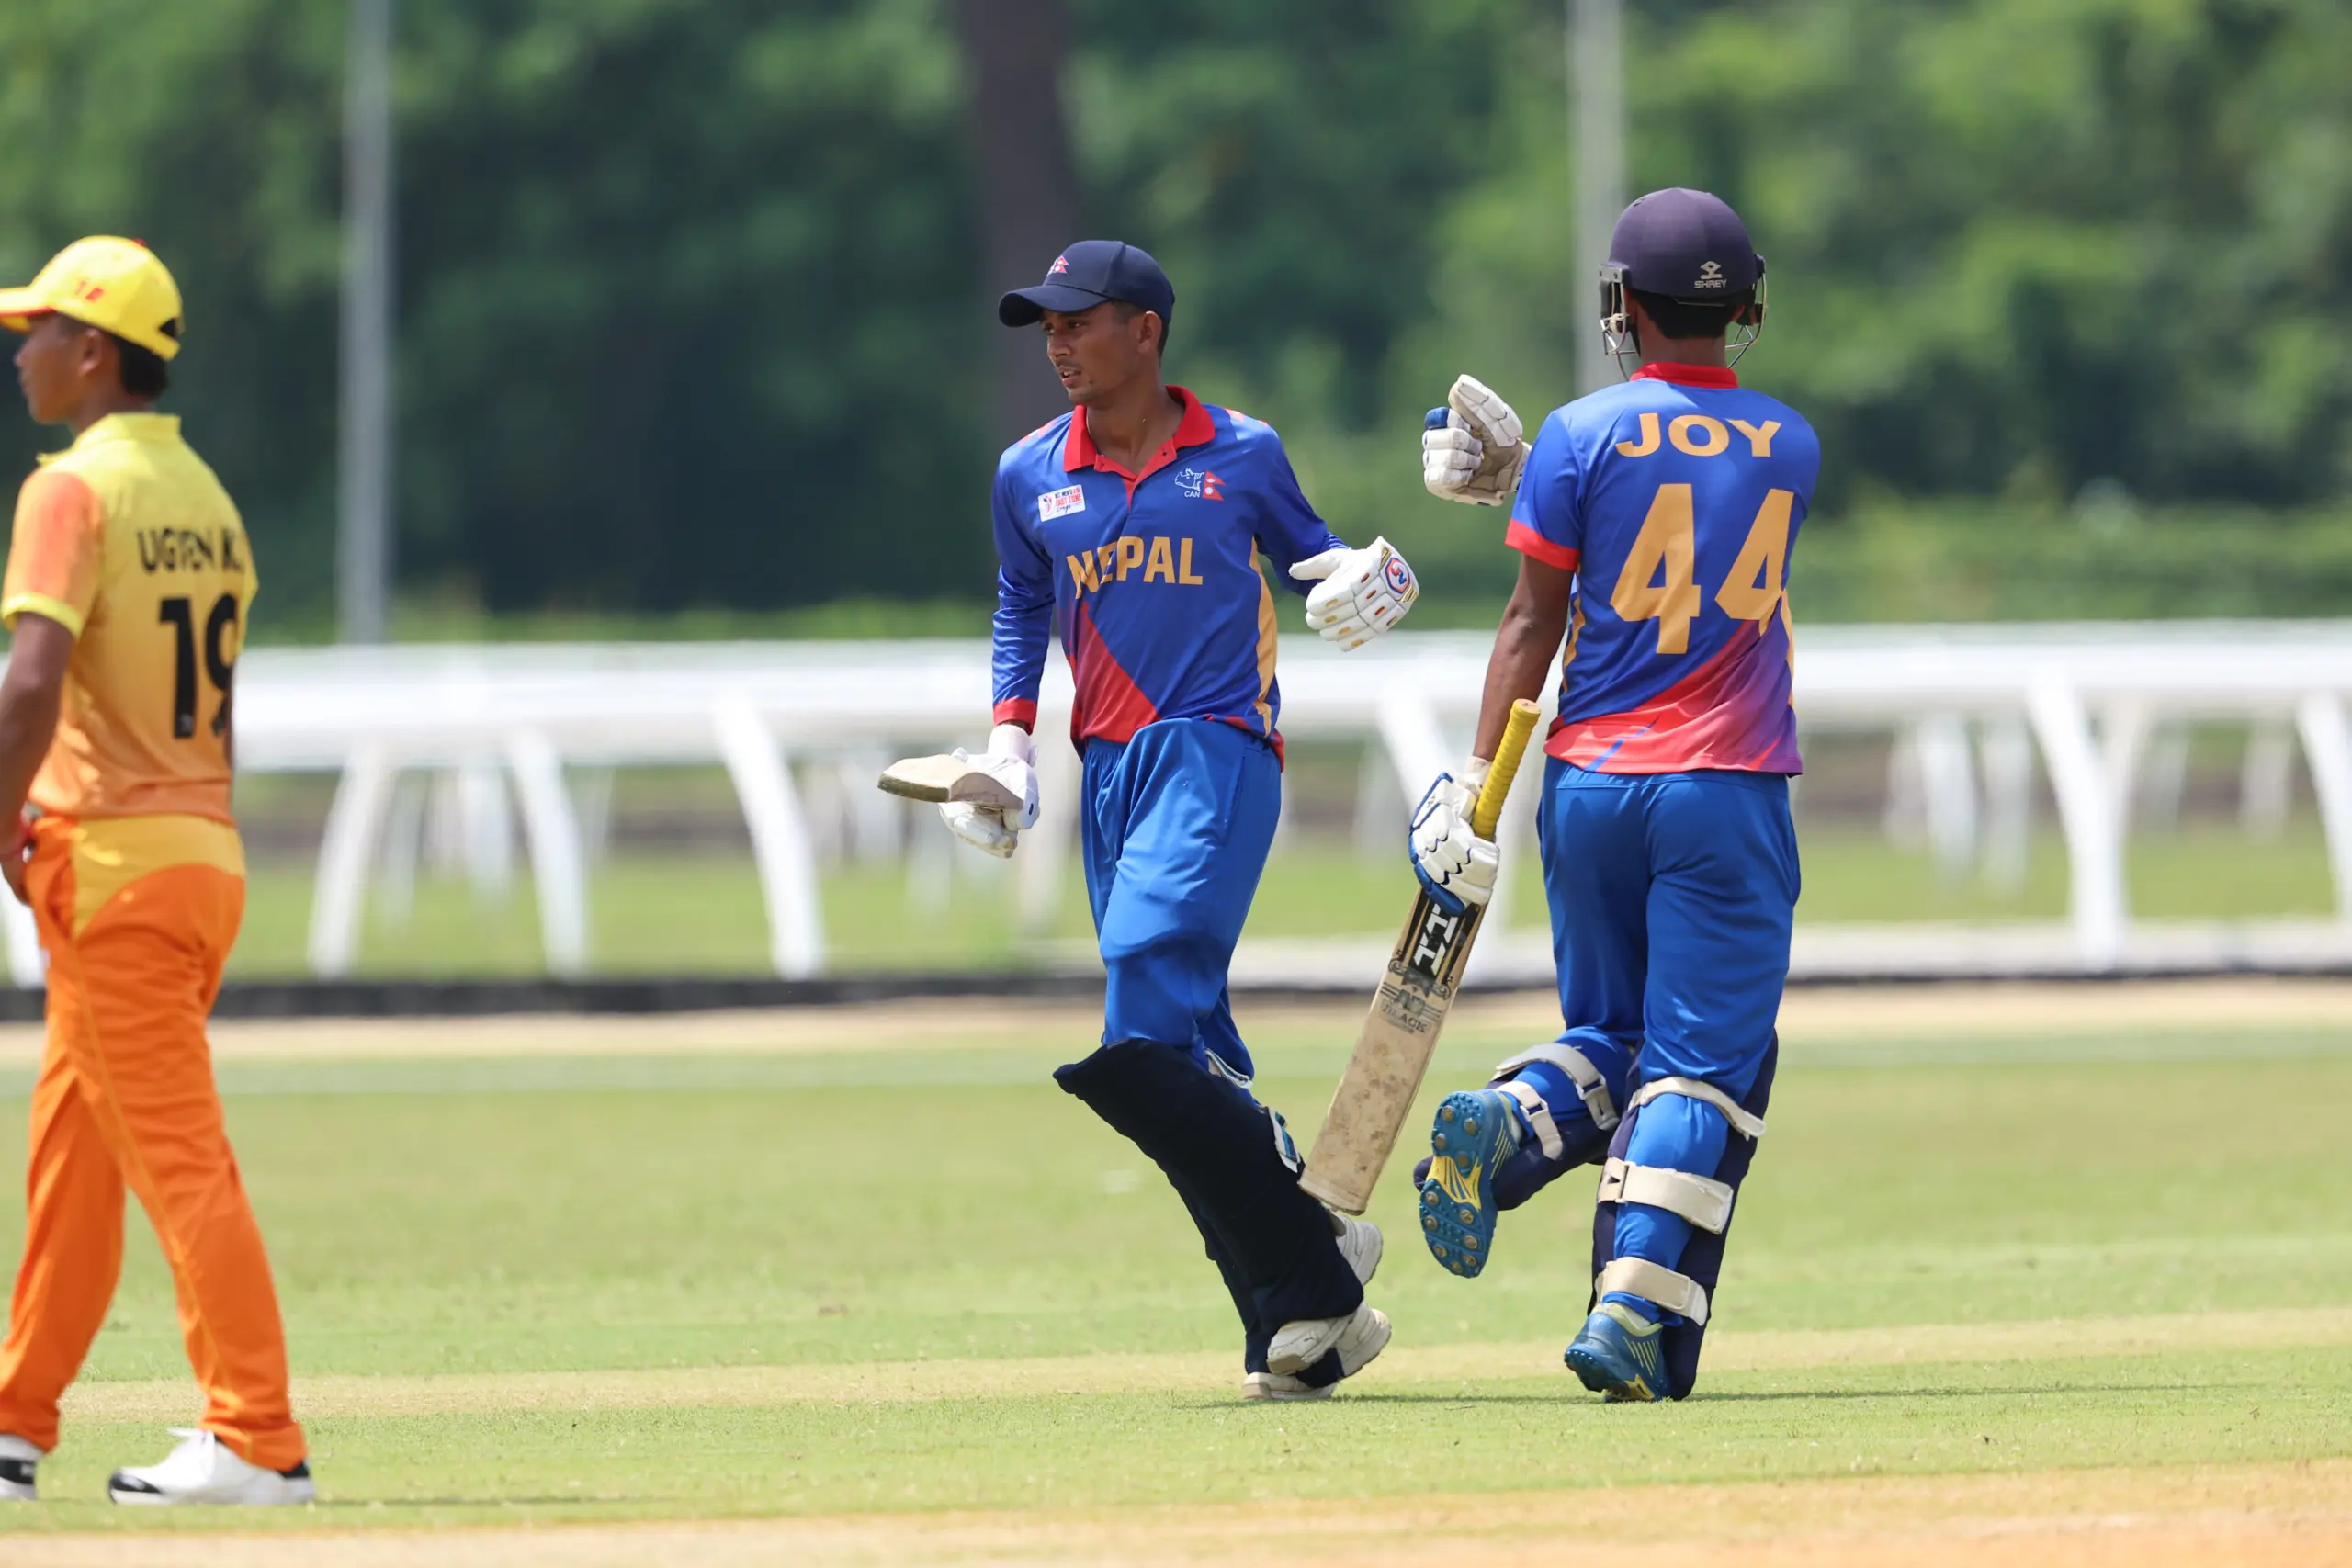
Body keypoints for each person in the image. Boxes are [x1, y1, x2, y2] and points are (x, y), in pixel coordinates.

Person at [949, 240, 1420, 1400]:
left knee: (1145, 982)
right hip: (1105, 769)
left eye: (1079, 321)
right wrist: (1009, 747)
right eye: (1045, 326)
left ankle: (1305, 1275)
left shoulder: (1241, 454)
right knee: (1173, 1059)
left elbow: (1324, 566)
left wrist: (1376, 577)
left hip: (1216, 750)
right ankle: (1303, 1305)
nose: (1057, 344)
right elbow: (1021, 609)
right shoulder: (1028, 474)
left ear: (1145, 331)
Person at [1407, 189, 1820, 1402]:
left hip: (1588, 784)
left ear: (1621, 307)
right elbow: (1703, 491)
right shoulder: (1794, 439)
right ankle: (1632, 1311)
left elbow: (1535, 616)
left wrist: (1474, 794)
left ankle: (1517, 1115)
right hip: (1724, 785)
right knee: (1701, 1064)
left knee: (1618, 1038)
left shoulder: (1581, 437)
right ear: (1747, 306)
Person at [0, 237, 312, 1503]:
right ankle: (14, 1421)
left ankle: (258, 1434)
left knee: (177, 1159)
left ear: (92, 352)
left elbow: (30, 675)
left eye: (36, 332)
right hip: (200, 859)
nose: (19, 352)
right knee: (77, 1153)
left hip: (114, 864)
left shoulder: (72, 492)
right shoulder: (206, 497)